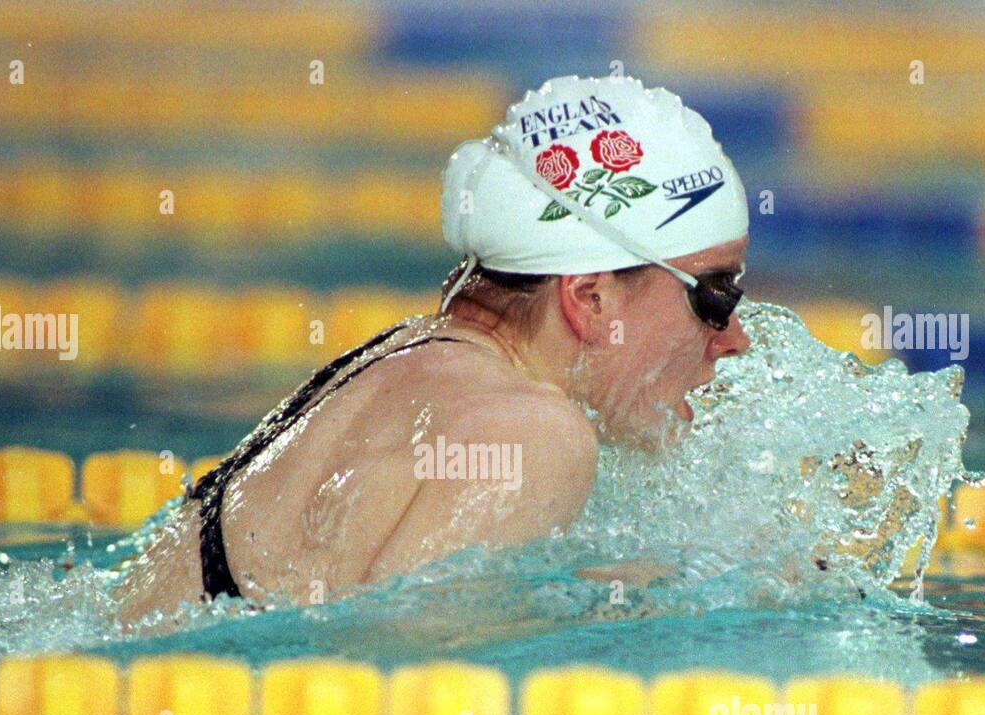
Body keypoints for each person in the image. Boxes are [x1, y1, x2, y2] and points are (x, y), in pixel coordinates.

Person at [113, 74, 752, 624]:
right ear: (589, 299)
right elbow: (400, 679)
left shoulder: (400, 357)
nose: (734, 340)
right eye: (716, 297)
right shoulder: (536, 433)